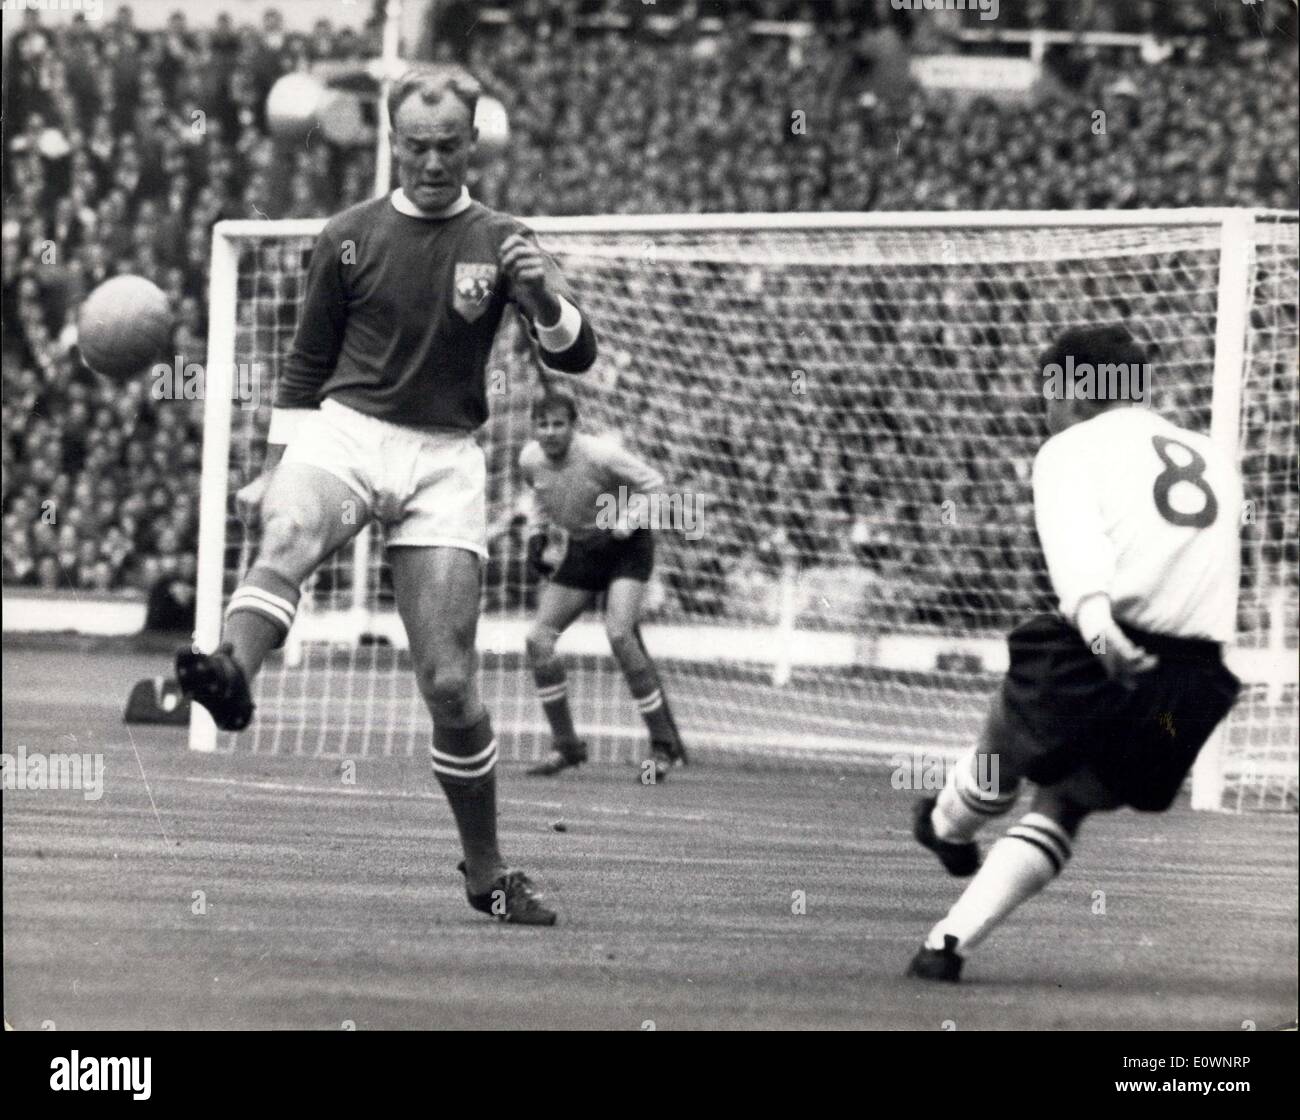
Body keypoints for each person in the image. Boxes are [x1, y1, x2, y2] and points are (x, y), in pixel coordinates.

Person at [175, 65, 596, 926]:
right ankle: (233, 673)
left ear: (472, 142)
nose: (432, 161)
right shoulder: (347, 235)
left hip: (446, 456)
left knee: (447, 684)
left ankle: (486, 874)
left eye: (448, 146)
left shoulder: (503, 239)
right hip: (348, 433)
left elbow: (576, 359)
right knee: (289, 528)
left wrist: (545, 298)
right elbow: (303, 365)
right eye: (416, 146)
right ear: (391, 142)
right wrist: (274, 461)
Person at [907, 325, 1243, 981]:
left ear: (1073, 387)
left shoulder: (1071, 450)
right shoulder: (1211, 455)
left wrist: (1098, 630)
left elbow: (1078, 558)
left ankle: (948, 825)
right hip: (1190, 680)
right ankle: (945, 944)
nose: (1046, 409)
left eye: (1048, 392)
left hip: (1102, 643)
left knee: (1018, 697)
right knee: (1065, 804)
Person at [519, 388, 688, 782]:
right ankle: (566, 746)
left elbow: (655, 485)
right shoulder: (529, 459)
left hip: (626, 547)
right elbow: (541, 499)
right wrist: (535, 536)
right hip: (584, 549)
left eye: (558, 424)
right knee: (538, 640)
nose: (550, 432)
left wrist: (626, 522)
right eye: (542, 424)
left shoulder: (600, 454)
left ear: (574, 427)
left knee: (619, 634)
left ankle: (663, 746)